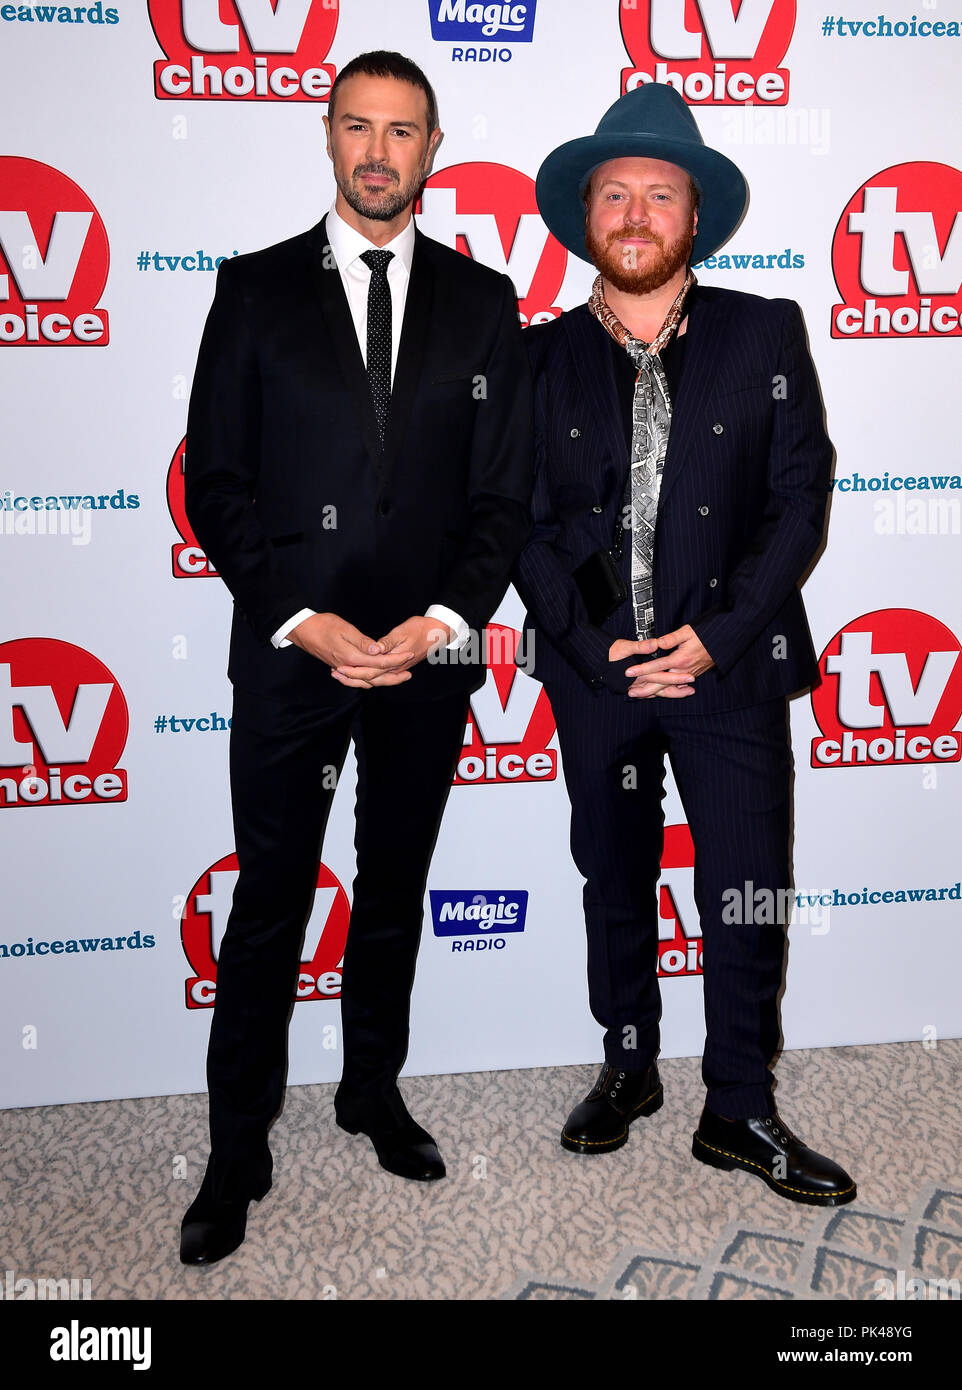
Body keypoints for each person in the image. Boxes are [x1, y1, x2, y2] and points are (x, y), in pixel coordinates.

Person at [180, 50, 532, 1264]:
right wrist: (300, 618)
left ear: (433, 148)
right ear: (326, 139)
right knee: (271, 898)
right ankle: (236, 1144)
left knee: (391, 887)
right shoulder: (251, 291)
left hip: (426, 657)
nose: (378, 152)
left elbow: (500, 496)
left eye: (402, 131)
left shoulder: (486, 304)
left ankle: (369, 1091)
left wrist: (442, 619)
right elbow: (216, 486)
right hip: (291, 653)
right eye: (357, 128)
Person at [514, 83, 855, 1206]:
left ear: (691, 217)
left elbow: (797, 500)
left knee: (746, 883)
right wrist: (592, 637)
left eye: (658, 192)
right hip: (596, 673)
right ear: (584, 218)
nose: (634, 210)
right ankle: (626, 1064)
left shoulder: (765, 331)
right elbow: (513, 520)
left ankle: (738, 1103)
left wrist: (714, 635)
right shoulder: (536, 358)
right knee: (612, 871)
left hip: (731, 668)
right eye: (613, 192)